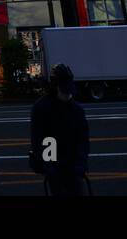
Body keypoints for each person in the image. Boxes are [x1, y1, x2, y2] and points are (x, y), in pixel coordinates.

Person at [30, 64, 89, 196]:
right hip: (55, 163)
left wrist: (81, 164)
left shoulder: (76, 110)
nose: (68, 95)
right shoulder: (42, 108)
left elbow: (83, 139)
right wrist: (49, 166)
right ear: (55, 87)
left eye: (69, 92)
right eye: (64, 91)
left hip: (73, 164)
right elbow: (39, 139)